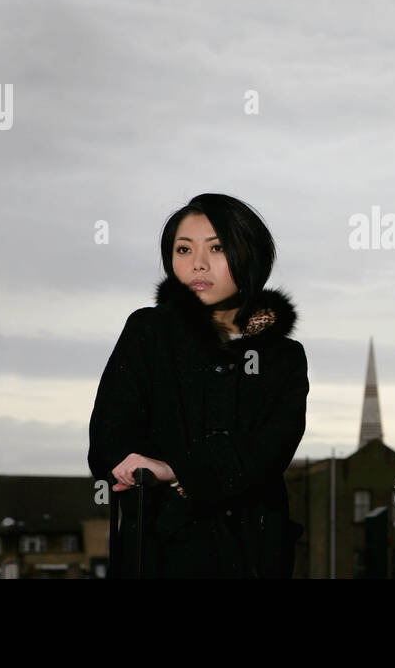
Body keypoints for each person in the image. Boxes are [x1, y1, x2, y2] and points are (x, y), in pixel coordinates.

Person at [88, 193, 309, 577]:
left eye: (218, 247)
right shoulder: (149, 333)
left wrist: (176, 470)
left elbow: (269, 450)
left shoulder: (282, 356)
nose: (198, 264)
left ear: (250, 253)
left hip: (253, 554)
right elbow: (110, 438)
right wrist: (136, 468)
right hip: (159, 552)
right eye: (183, 249)